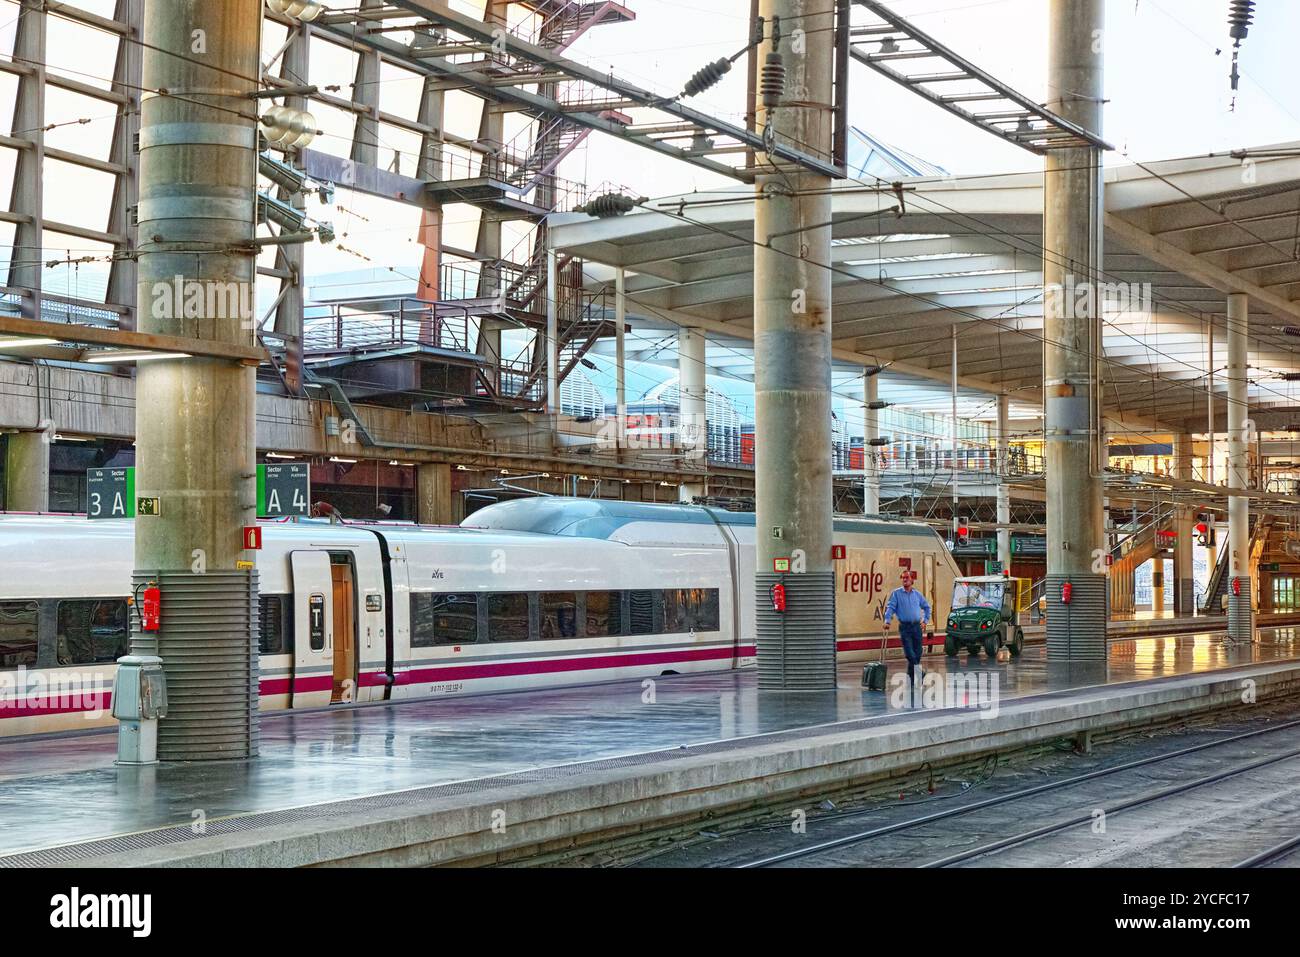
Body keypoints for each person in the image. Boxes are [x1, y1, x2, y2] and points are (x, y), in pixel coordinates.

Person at [883, 570, 931, 685]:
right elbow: (890, 608)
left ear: (912, 580)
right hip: (905, 627)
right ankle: (919, 674)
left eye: (907, 578)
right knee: (910, 653)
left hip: (916, 627)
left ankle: (911, 679)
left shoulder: (917, 594)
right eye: (903, 578)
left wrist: (925, 621)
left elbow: (927, 607)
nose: (904, 580)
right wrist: (887, 620)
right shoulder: (896, 594)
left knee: (918, 653)